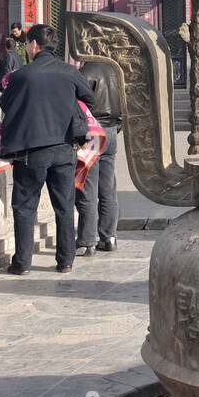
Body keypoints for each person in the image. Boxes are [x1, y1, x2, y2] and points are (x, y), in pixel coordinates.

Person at [0, 24, 94, 275]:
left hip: (32, 151)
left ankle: (22, 263)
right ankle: (65, 261)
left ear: (33, 45)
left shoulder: (21, 76)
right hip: (65, 148)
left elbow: (5, 105)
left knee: (24, 206)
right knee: (64, 205)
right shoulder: (70, 72)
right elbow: (89, 98)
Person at [75, 61, 121, 257]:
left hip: (94, 129)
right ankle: (109, 236)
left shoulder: (85, 72)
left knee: (88, 188)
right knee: (108, 187)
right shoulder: (114, 71)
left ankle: (86, 241)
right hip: (111, 130)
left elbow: (78, 104)